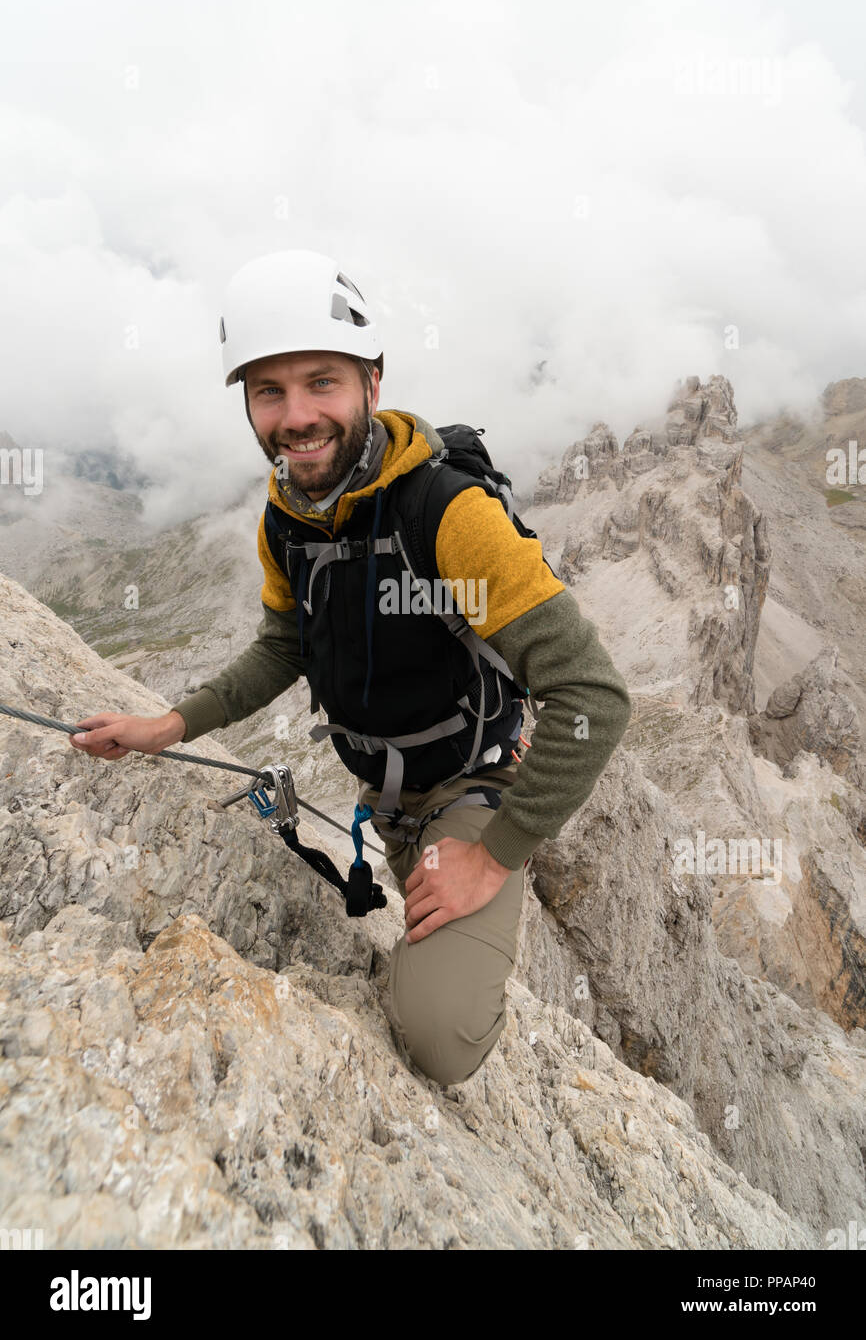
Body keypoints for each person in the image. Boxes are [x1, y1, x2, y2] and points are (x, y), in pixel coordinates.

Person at [69, 249, 632, 1088]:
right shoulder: (288, 516)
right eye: (269, 391)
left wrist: (493, 854)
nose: (296, 417)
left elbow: (593, 695)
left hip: (470, 791)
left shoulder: (445, 514)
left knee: (438, 1040)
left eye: (321, 383)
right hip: (387, 803)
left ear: (373, 382)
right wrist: (173, 724)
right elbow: (286, 645)